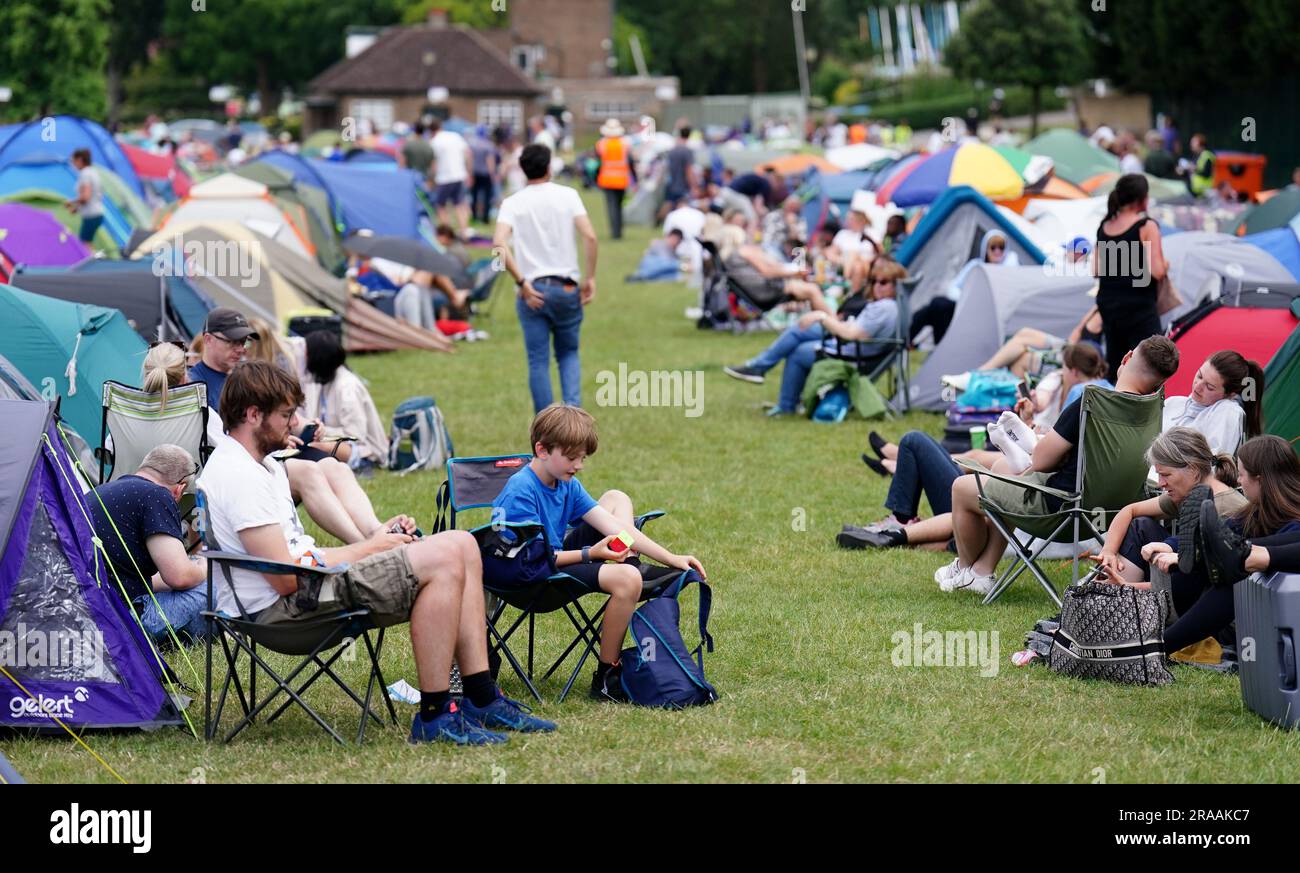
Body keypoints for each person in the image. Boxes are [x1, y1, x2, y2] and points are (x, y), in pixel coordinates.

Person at [198, 361, 554, 744]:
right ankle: (436, 715)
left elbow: (297, 551)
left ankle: (481, 697)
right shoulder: (238, 475)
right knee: (445, 556)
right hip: (286, 613)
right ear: (253, 415)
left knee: (463, 544)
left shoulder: (262, 463)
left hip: (314, 587)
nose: (294, 422)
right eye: (286, 415)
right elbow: (284, 578)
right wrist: (369, 550)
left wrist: (376, 541)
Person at [491, 405, 706, 701]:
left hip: (554, 556)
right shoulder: (520, 491)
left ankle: (631, 563)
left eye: (582, 458)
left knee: (616, 499)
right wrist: (590, 553)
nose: (578, 465)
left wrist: (671, 558)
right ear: (541, 450)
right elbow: (529, 561)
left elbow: (619, 529)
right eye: (571, 457)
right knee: (628, 581)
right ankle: (607, 676)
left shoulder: (567, 484)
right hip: (531, 578)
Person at [942, 336, 1179, 594]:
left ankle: (964, 569)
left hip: (1060, 511)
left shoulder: (1092, 402)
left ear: (1126, 357)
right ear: (1161, 381)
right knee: (1003, 469)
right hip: (1108, 517)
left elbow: (1041, 461)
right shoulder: (1152, 409)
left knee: (961, 487)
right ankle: (982, 570)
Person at [842, 342, 1112, 552]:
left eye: (1064, 370)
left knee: (920, 444)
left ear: (1074, 371)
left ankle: (899, 523)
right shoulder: (1112, 445)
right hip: (1035, 505)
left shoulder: (1082, 399)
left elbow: (1040, 462)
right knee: (971, 458)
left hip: (1023, 508)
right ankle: (899, 502)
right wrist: (1029, 426)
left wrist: (1027, 433)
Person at [1126, 436, 1300, 655]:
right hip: (1243, 614)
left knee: (1232, 573)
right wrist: (1172, 546)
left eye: (1242, 474)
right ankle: (1151, 636)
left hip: (1264, 622)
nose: (1238, 481)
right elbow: (1219, 536)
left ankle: (1158, 644)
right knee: (1212, 551)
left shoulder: (1293, 522)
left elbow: (1221, 541)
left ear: (1261, 480)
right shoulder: (1253, 514)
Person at [723, 257, 905, 417]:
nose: (876, 286)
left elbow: (852, 334)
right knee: (800, 330)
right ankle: (758, 367)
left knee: (798, 352)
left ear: (896, 285)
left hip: (855, 354)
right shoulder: (894, 304)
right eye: (873, 281)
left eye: (883, 282)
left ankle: (782, 400)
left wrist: (821, 316)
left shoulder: (884, 308)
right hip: (856, 346)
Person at [493, 143, 599, 412]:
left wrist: (515, 279)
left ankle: (545, 429)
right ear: (549, 166)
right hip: (566, 286)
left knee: (538, 361)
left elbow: (497, 245)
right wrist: (591, 277)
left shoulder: (513, 202)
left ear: (522, 169)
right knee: (568, 354)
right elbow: (590, 236)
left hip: (532, 289)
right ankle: (574, 421)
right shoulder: (568, 195)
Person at [1094, 427, 1245, 589]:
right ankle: (1114, 594)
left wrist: (1126, 586)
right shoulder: (1186, 491)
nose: (1160, 483)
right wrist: (1109, 552)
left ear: (1193, 470)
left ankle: (1120, 597)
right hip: (1181, 577)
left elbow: (1196, 582)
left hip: (1202, 593)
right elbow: (1129, 511)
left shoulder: (1226, 509)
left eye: (1165, 475)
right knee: (1141, 526)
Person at [89, 445, 209, 644]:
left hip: (88, 615)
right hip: (127, 620)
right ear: (179, 489)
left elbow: (144, 579)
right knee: (216, 589)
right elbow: (179, 577)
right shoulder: (158, 495)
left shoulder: (97, 493)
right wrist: (204, 567)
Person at [1094, 174, 1167, 381]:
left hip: (1109, 306)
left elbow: (1096, 269)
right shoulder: (1146, 226)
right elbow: (1157, 270)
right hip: (1138, 308)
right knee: (1152, 362)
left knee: (1117, 364)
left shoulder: (1104, 226)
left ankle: (1113, 407)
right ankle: (1146, 409)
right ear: (1142, 199)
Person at [911, 230, 1020, 348]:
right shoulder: (976, 265)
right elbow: (954, 286)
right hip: (965, 306)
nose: (997, 251)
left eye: (1001, 247)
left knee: (938, 305)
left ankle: (933, 346)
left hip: (984, 314)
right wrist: (965, 298)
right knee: (932, 309)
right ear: (986, 249)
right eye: (993, 247)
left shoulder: (1008, 269)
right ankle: (908, 340)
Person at [301, 330, 389, 472]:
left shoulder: (347, 387)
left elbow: (355, 434)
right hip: (339, 443)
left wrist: (322, 432)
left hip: (366, 451)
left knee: (312, 447)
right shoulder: (323, 382)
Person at [1163, 350, 1264, 454]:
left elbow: (1214, 464)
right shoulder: (1172, 403)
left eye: (1209, 387)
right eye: (1200, 376)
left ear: (1230, 395)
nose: (1198, 386)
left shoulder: (1229, 411)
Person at [188, 308, 259, 417]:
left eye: (244, 342)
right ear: (208, 339)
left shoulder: (248, 379)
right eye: (233, 342)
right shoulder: (194, 384)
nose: (241, 349)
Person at [429, 118, 472, 235]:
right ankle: (464, 232)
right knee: (460, 205)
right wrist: (469, 173)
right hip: (459, 175)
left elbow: (434, 163)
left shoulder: (434, 142)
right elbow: (468, 154)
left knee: (441, 206)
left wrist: (432, 180)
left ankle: (447, 233)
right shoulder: (455, 136)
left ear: (431, 131)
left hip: (444, 178)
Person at [594, 118, 634, 240]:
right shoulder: (625, 144)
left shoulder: (601, 144)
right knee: (620, 205)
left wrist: (595, 177)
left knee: (611, 206)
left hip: (607, 180)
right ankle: (619, 231)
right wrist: (635, 178)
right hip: (622, 179)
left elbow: (598, 163)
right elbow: (630, 162)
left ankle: (614, 232)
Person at [65, 149, 106, 244]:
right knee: (87, 243)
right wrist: (77, 208)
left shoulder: (85, 174)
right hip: (97, 212)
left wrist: (71, 202)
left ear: (79, 160)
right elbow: (90, 196)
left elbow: (86, 197)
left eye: (73, 161)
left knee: (85, 245)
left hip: (91, 214)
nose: (73, 165)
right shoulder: (93, 172)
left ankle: (91, 259)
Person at [466, 126, 498, 224]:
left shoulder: (471, 144)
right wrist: (492, 174)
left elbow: (469, 160)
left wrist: (469, 174)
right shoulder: (489, 145)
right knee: (487, 197)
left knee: (474, 196)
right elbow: (490, 161)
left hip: (475, 173)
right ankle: (485, 218)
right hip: (486, 174)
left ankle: (475, 217)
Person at [663, 126, 697, 206]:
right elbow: (688, 170)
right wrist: (693, 186)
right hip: (682, 186)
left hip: (671, 184)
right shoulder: (687, 151)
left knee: (668, 205)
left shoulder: (672, 150)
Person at [398, 122, 435, 191]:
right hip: (425, 181)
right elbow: (433, 167)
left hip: (411, 180)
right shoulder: (429, 146)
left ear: (414, 131)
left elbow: (401, 165)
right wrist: (431, 181)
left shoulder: (407, 145)